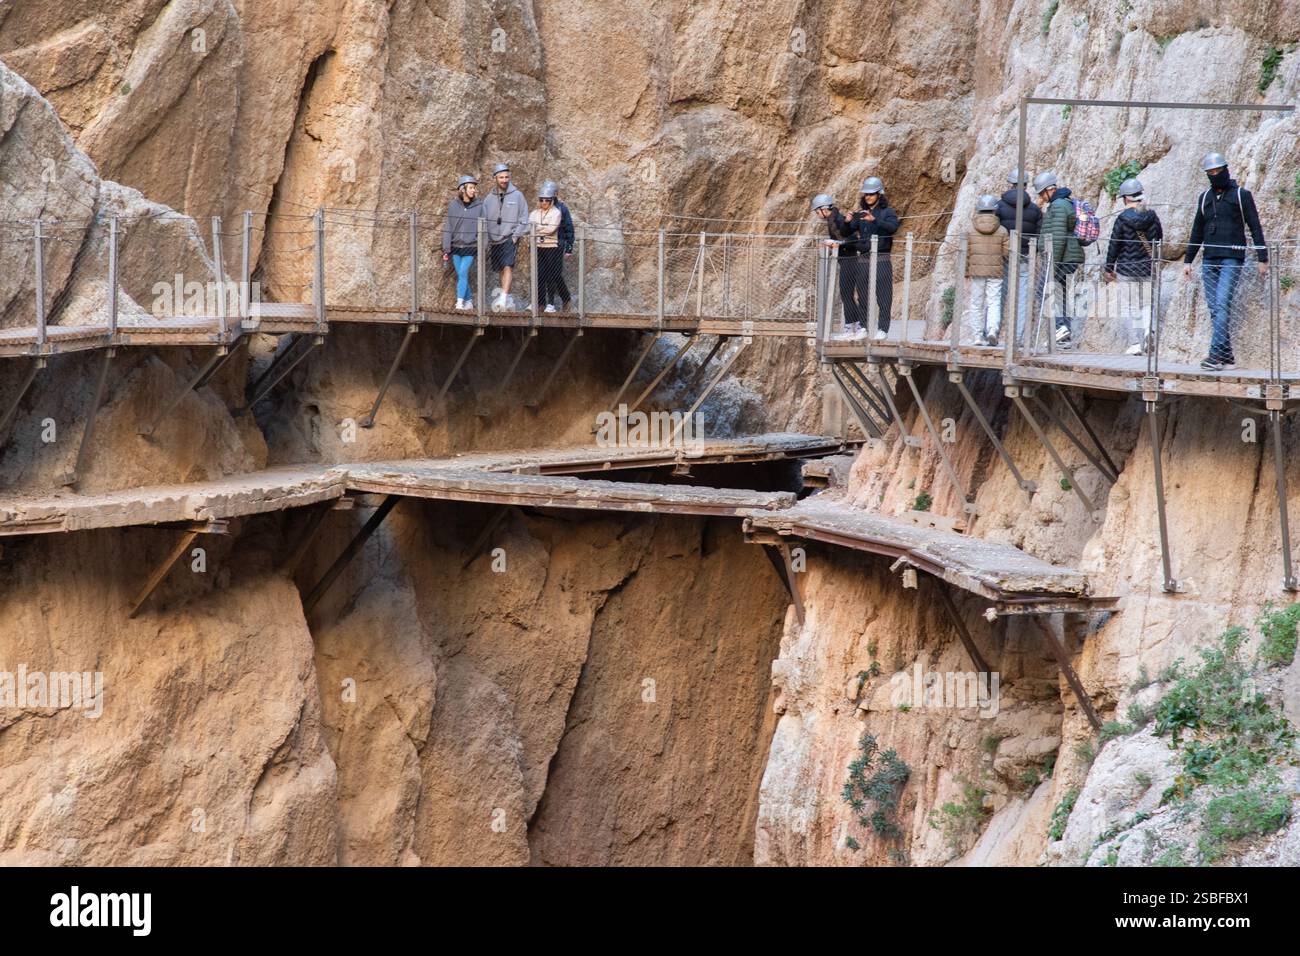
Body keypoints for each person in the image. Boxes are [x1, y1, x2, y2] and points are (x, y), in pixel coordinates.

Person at [1182, 151, 1269, 371]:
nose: (1213, 175)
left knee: (1221, 303)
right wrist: (1188, 261)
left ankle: (1214, 355)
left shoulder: (1241, 195)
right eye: (1209, 172)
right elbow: (1197, 231)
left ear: (1225, 169)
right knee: (1214, 308)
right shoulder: (1204, 198)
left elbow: (1255, 226)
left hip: (1232, 258)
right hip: (1209, 259)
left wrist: (1262, 257)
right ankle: (1227, 355)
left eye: (1217, 171)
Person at [1103, 177, 1163, 356]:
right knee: (1146, 304)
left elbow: (1114, 244)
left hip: (1126, 269)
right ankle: (1147, 331)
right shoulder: (1152, 216)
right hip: (1146, 266)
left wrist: (1108, 267)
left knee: (1128, 307)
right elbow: (1158, 239)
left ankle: (1135, 343)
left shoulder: (1122, 219)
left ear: (1126, 198)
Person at [1035, 171, 1084, 347]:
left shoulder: (1058, 206)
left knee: (1044, 290)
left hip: (1062, 257)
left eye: (1041, 193)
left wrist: (1051, 263)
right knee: (1061, 294)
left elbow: (1057, 237)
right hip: (1068, 257)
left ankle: (1060, 327)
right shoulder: (1066, 203)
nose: (1041, 197)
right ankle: (1065, 336)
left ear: (1049, 190)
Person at [813, 192, 870, 335]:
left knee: (846, 293)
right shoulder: (833, 219)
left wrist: (836, 243)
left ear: (824, 209)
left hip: (850, 259)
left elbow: (852, 238)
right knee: (846, 293)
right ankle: (853, 325)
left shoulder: (838, 219)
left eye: (817, 211)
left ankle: (853, 326)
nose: (817, 214)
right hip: (846, 259)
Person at [996, 169, 1043, 342]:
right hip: (1025, 256)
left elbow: (995, 231)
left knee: (998, 296)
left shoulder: (999, 207)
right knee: (1023, 298)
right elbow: (1039, 235)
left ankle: (992, 332)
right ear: (1025, 186)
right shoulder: (1035, 210)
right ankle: (1019, 338)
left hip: (1004, 256)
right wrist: (1033, 250)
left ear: (1011, 184)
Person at [851, 176, 900, 340]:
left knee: (884, 295)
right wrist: (847, 221)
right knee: (863, 295)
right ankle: (864, 327)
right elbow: (847, 231)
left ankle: (883, 329)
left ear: (879, 194)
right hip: (864, 259)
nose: (868, 197)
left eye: (871, 194)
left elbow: (893, 227)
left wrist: (875, 220)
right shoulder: (861, 214)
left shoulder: (888, 212)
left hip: (882, 258)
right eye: (866, 194)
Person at [481, 162, 529, 310]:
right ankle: (506, 297)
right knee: (501, 269)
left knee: (508, 266)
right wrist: (487, 238)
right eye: (501, 177)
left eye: (506, 177)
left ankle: (503, 297)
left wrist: (516, 236)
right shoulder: (489, 198)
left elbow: (524, 216)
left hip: (510, 237)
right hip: (495, 240)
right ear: (495, 178)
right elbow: (483, 219)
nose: (504, 180)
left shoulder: (518, 195)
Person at [966, 194, 1010, 346]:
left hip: (976, 271)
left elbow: (966, 253)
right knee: (994, 302)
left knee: (976, 303)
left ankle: (977, 336)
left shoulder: (970, 229)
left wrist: (967, 270)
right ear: (994, 210)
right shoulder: (1002, 230)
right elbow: (1006, 253)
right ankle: (992, 330)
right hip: (996, 271)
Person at [441, 174, 484, 311]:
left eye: (474, 188)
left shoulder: (479, 205)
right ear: (462, 189)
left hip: (470, 246)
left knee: (463, 272)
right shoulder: (454, 205)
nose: (473, 190)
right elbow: (449, 226)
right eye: (471, 187)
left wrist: (482, 245)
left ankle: (459, 303)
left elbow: (484, 227)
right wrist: (446, 247)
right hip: (456, 246)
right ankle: (469, 300)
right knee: (461, 274)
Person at [530, 183, 564, 312]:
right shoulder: (535, 212)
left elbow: (551, 229)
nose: (544, 202)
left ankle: (550, 303)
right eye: (541, 200)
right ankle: (540, 302)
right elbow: (530, 225)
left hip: (551, 246)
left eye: (547, 200)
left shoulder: (556, 212)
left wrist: (537, 228)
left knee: (551, 275)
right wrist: (542, 227)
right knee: (539, 275)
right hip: (538, 246)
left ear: (551, 200)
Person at [554, 185, 575, 311]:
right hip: (543, 246)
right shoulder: (543, 206)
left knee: (555, 274)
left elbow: (569, 228)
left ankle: (565, 297)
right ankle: (542, 303)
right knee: (542, 275)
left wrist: (569, 248)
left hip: (558, 245)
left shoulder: (562, 209)